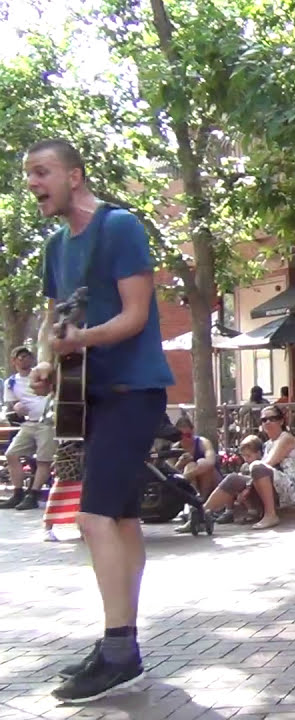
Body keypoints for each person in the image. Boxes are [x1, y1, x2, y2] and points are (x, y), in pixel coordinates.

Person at [27, 138, 174, 700]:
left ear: (75, 175)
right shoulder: (53, 248)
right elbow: (53, 325)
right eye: (28, 176)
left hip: (133, 392)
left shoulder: (120, 228)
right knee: (121, 520)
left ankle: (118, 651)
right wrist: (46, 362)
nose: (33, 184)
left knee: (92, 519)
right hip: (88, 395)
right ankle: (122, 644)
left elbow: (136, 315)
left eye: (42, 172)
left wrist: (80, 340)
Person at [199, 406, 295, 528]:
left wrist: (248, 487)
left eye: (272, 418)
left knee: (256, 466)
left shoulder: (286, 438)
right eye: (264, 420)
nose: (268, 422)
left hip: (293, 490)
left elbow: (267, 464)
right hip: (275, 487)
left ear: (281, 421)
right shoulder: (267, 444)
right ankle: (200, 514)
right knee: (233, 479)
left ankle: (271, 515)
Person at [2, 346, 54, 511]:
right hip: (29, 422)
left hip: (48, 421)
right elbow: (11, 408)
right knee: (12, 454)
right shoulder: (11, 382)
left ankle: (33, 494)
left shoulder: (41, 374)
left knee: (43, 459)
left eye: (27, 356)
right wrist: (17, 409)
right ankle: (18, 493)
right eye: (21, 357)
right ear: (14, 361)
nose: (25, 359)